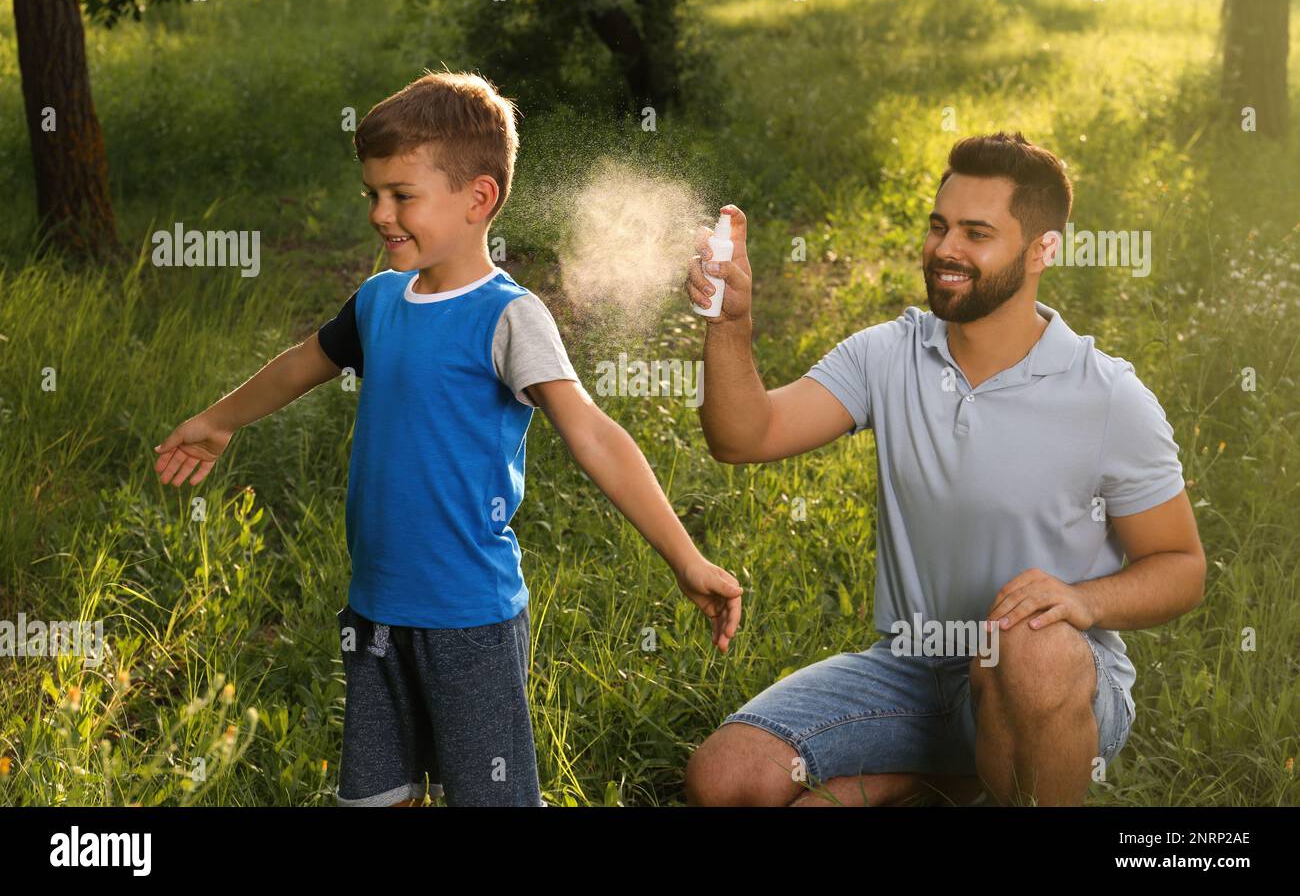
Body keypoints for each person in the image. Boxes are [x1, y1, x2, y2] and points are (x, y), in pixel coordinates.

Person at [153, 70, 743, 807]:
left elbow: (593, 433)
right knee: (374, 794)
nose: (379, 212)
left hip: (470, 622)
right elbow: (302, 364)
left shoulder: (508, 317)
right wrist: (217, 421)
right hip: (373, 613)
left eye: (402, 195)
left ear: (479, 198)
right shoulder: (377, 301)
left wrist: (684, 557)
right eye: (372, 193)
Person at [682, 132, 1205, 806]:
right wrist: (730, 320)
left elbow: (1182, 565)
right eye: (939, 226)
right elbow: (743, 435)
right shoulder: (888, 354)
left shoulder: (1107, 397)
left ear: (1043, 249)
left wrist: (1084, 601)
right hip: (911, 671)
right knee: (722, 781)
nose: (946, 249)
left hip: (1052, 682)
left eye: (976, 233)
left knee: (1025, 642)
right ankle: (944, 780)